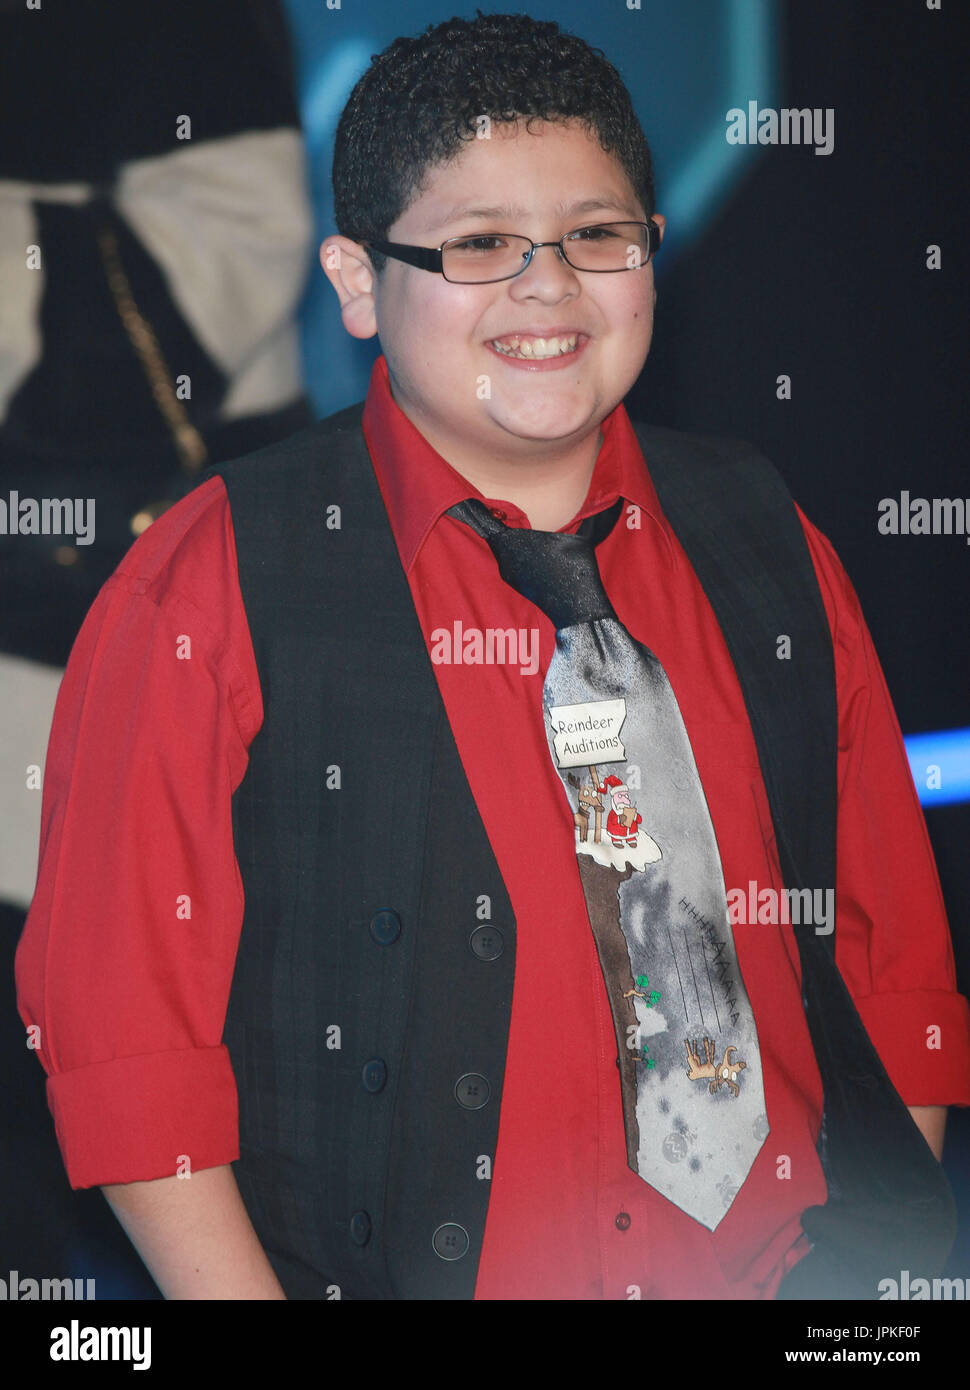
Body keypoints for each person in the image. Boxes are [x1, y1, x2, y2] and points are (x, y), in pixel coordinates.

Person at [15, 12, 970, 1301]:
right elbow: (126, 1032)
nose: (550, 287)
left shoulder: (766, 533)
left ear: (651, 254)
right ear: (355, 283)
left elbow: (888, 956)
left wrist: (870, 1284)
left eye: (596, 236)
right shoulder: (213, 578)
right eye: (479, 246)